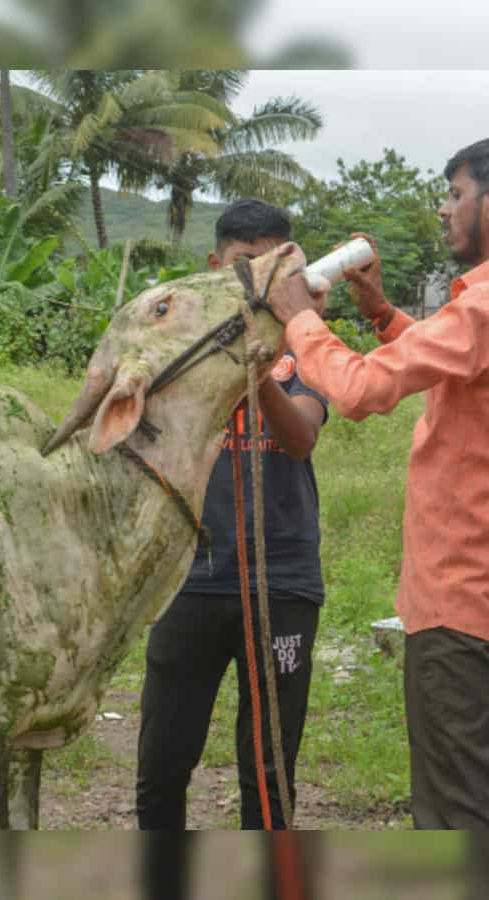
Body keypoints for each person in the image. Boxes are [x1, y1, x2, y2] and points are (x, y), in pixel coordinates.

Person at [266, 135, 489, 830]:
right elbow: (463, 357)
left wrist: (300, 320)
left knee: (457, 811)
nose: (444, 209)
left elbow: (358, 390)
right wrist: (379, 312)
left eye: (454, 194)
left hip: (456, 602)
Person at [135, 198, 329, 845]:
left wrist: (260, 371)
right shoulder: (172, 352)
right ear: (216, 265)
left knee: (269, 774)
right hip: (186, 580)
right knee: (162, 766)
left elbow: (301, 436)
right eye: (244, 266)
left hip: (282, 585)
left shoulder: (306, 350)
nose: (256, 282)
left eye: (272, 267)